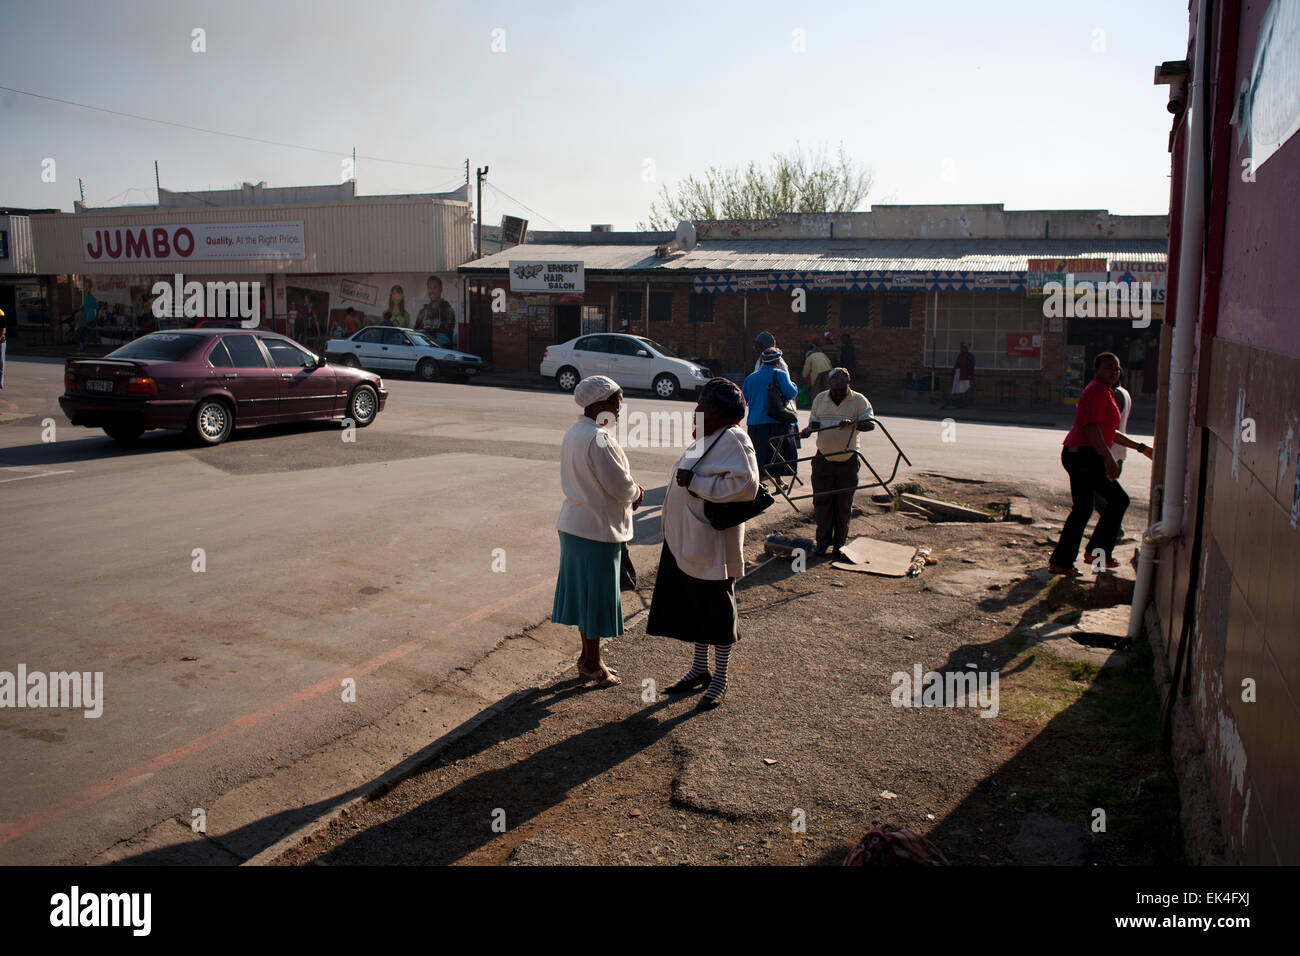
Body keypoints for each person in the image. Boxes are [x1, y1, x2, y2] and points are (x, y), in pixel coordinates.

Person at [649, 377, 759, 709]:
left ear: (720, 411)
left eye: (702, 404)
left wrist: (697, 482)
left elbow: (748, 487)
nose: (696, 409)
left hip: (711, 542)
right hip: (686, 540)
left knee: (717, 611)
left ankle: (720, 678)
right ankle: (699, 669)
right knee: (695, 606)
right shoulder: (709, 436)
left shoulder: (735, 438)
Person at [554, 375, 644, 686]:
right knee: (594, 601)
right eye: (617, 404)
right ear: (600, 404)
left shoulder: (576, 431)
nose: (620, 411)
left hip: (575, 526)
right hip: (596, 530)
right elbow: (620, 486)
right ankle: (592, 663)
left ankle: (590, 659)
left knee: (587, 599)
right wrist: (637, 493)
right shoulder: (599, 438)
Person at [1049, 353, 1153, 577]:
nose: (1114, 372)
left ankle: (1063, 562)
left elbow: (1110, 432)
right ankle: (1096, 554)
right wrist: (1108, 458)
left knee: (1083, 509)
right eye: (1108, 368)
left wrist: (1141, 447)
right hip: (1084, 456)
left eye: (1117, 368)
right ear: (1096, 369)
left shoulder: (1105, 391)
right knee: (1118, 500)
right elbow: (1091, 427)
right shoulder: (1097, 390)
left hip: (1080, 454)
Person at [801, 368, 874, 556]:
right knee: (822, 502)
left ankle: (839, 544)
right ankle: (822, 542)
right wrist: (809, 430)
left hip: (848, 459)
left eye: (842, 390)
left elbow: (871, 424)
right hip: (823, 458)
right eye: (835, 390)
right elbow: (815, 423)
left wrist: (853, 424)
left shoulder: (859, 400)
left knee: (843, 504)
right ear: (829, 386)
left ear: (848, 386)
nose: (839, 394)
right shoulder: (819, 399)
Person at [742, 347, 799, 489]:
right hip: (775, 422)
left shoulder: (750, 377)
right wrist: (794, 385)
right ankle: (776, 481)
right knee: (776, 454)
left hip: (755, 423)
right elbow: (791, 393)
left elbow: (744, 399)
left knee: (759, 455)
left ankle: (759, 484)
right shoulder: (779, 374)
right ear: (778, 361)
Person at [415, 275, 456, 344]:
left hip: (442, 351)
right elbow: (416, 333)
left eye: (435, 287)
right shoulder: (423, 312)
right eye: (429, 288)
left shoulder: (447, 310)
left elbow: (447, 335)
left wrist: (428, 335)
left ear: (441, 289)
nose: (432, 291)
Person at [802, 338, 832, 402]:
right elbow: (829, 362)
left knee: (815, 388)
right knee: (826, 387)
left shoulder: (810, 357)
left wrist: (804, 376)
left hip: (818, 372)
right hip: (827, 371)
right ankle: (828, 401)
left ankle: (815, 402)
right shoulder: (822, 354)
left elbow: (806, 368)